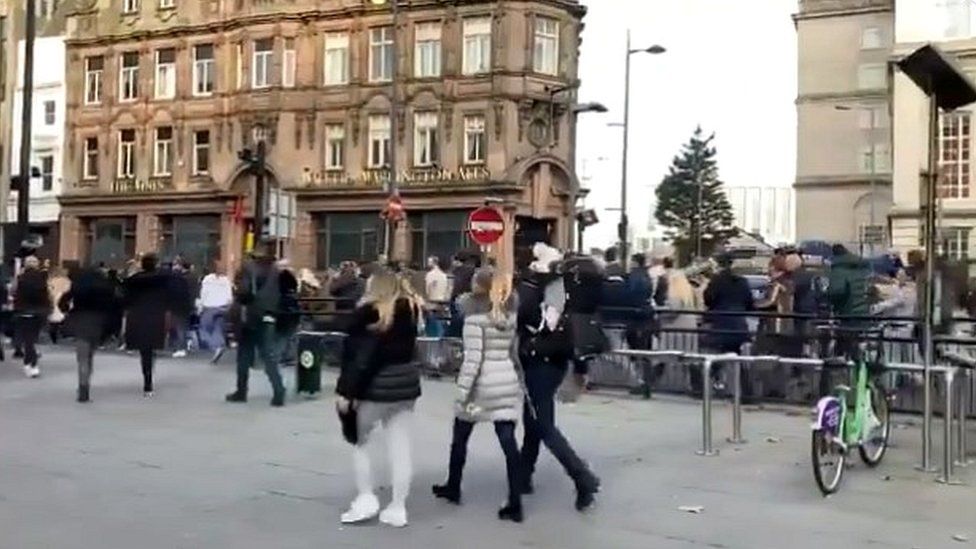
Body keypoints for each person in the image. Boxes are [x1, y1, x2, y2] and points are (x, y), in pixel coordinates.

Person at [432, 268, 524, 523]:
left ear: (478, 286)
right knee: (508, 440)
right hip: (505, 378)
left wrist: (462, 393)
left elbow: (473, 359)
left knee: (460, 436)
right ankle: (515, 500)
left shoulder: (474, 317)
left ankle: (453, 486)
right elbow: (513, 351)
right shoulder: (510, 313)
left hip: (481, 385)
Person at [515, 245, 601, 512]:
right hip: (557, 360)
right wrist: (580, 366)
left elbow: (521, 317)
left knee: (543, 425)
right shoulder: (566, 289)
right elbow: (576, 328)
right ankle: (523, 475)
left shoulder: (533, 288)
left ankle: (582, 476)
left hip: (537, 360)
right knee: (533, 418)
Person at [335, 268, 423, 528]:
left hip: (376, 388)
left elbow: (362, 361)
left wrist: (347, 393)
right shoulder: (411, 311)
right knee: (400, 447)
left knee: (359, 441)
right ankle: (398, 507)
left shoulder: (368, 316)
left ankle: (366, 497)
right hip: (405, 387)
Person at [225, 241, 290, 407]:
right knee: (268, 356)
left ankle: (241, 391)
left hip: (251, 315)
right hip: (269, 314)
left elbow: (244, 291)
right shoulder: (276, 270)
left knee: (244, 355)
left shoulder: (248, 267)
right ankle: (278, 390)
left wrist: (238, 296)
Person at [699, 253, 754, 398]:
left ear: (719, 264)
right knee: (738, 359)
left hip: (721, 323)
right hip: (739, 325)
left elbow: (708, 299)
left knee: (716, 356)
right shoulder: (742, 281)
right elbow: (749, 303)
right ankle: (745, 392)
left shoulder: (717, 281)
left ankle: (708, 386)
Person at [59, 268, 117, 402]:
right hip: (98, 323)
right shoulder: (105, 288)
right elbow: (113, 306)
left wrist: (67, 311)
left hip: (80, 321)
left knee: (82, 359)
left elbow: (63, 301)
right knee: (90, 356)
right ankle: (86, 382)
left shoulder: (78, 287)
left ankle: (83, 388)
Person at [123, 253, 171, 397]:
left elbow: (125, 299)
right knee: (150, 351)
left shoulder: (133, 280)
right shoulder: (162, 280)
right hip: (156, 316)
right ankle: (148, 381)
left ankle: (147, 380)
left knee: (144, 351)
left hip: (138, 316)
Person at [14, 256, 50, 378]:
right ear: (36, 264)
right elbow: (45, 295)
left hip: (24, 311)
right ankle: (31, 362)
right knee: (33, 338)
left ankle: (30, 363)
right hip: (39, 311)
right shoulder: (42, 277)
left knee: (28, 339)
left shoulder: (21, 278)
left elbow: (17, 295)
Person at [198, 262, 234, 363]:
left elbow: (203, 294)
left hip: (210, 307)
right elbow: (229, 296)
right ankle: (220, 344)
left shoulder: (207, 279)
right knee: (217, 328)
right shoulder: (226, 280)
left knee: (204, 329)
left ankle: (215, 346)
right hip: (223, 307)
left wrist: (201, 306)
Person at [168, 261, 196, 358]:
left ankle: (181, 348)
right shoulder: (189, 279)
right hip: (186, 306)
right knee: (183, 327)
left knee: (179, 328)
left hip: (178, 307)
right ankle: (183, 346)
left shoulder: (179, 281)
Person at [47, 266, 70, 345]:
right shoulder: (67, 281)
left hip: (53, 301)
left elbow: (48, 290)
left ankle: (53, 335)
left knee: (53, 320)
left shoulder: (50, 281)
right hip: (62, 302)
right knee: (61, 318)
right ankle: (61, 333)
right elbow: (68, 291)